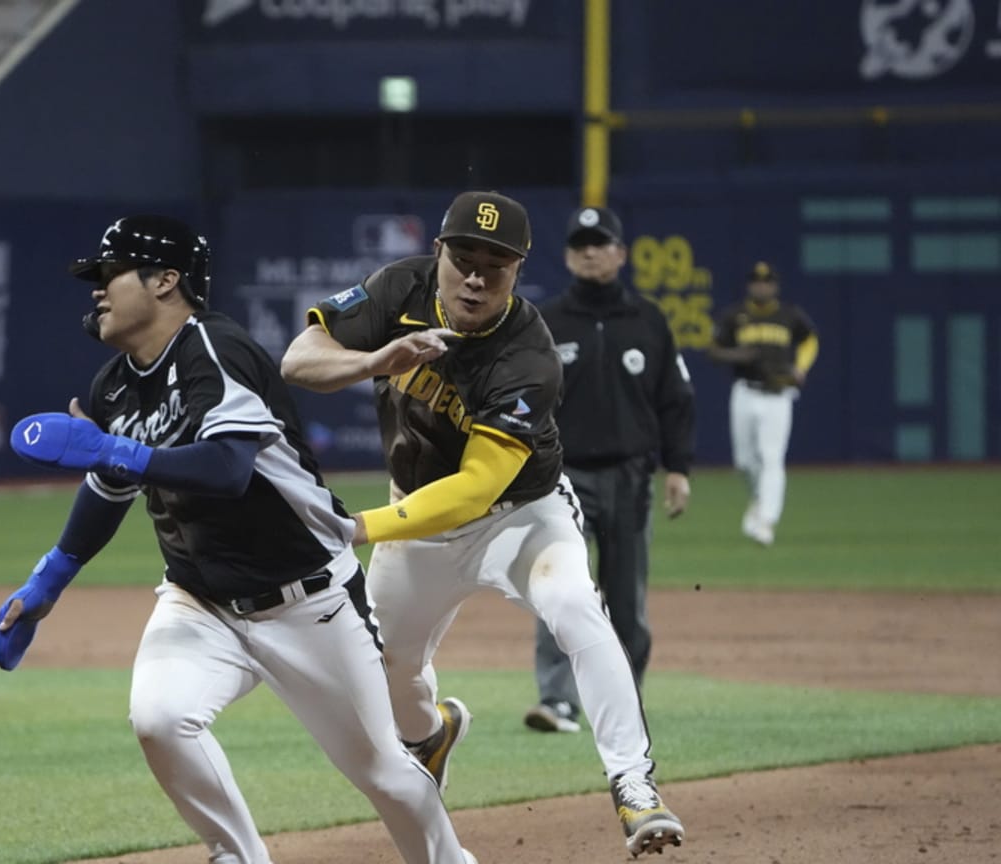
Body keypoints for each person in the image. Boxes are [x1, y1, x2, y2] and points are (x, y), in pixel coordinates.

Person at [0, 215, 479, 864]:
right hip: (200, 601)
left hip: (309, 601)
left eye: (110, 273)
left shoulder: (216, 351)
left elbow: (226, 469)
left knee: (382, 771)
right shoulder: (113, 386)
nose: (97, 289)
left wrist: (114, 448)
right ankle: (241, 857)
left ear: (166, 281)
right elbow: (109, 488)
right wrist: (49, 578)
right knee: (160, 720)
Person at [281, 191, 685, 857]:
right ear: (438, 252)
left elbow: (473, 490)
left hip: (520, 518)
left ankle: (634, 784)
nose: (474, 277)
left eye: (494, 266)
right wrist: (374, 361)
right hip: (417, 520)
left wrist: (359, 528)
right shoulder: (399, 287)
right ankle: (434, 734)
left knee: (575, 605)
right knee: (388, 670)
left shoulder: (528, 355)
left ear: (518, 271)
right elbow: (299, 358)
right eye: (463, 258)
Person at [523, 205, 695, 735]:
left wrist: (678, 468)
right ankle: (558, 701)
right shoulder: (547, 320)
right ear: (569, 256)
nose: (590, 252)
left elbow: (675, 398)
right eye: (580, 244)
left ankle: (624, 700)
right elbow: (526, 400)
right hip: (562, 478)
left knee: (626, 598)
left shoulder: (647, 319)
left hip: (629, 477)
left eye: (600, 243)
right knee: (560, 591)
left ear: (621, 254)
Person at [707, 261, 819, 546]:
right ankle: (759, 499)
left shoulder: (789, 315)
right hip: (745, 391)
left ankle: (767, 520)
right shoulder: (736, 315)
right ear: (750, 285)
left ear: (775, 286)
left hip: (778, 395)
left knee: (771, 458)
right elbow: (713, 350)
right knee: (744, 462)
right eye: (757, 281)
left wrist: (801, 368)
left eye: (767, 281)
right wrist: (738, 356)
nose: (762, 286)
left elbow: (810, 340)